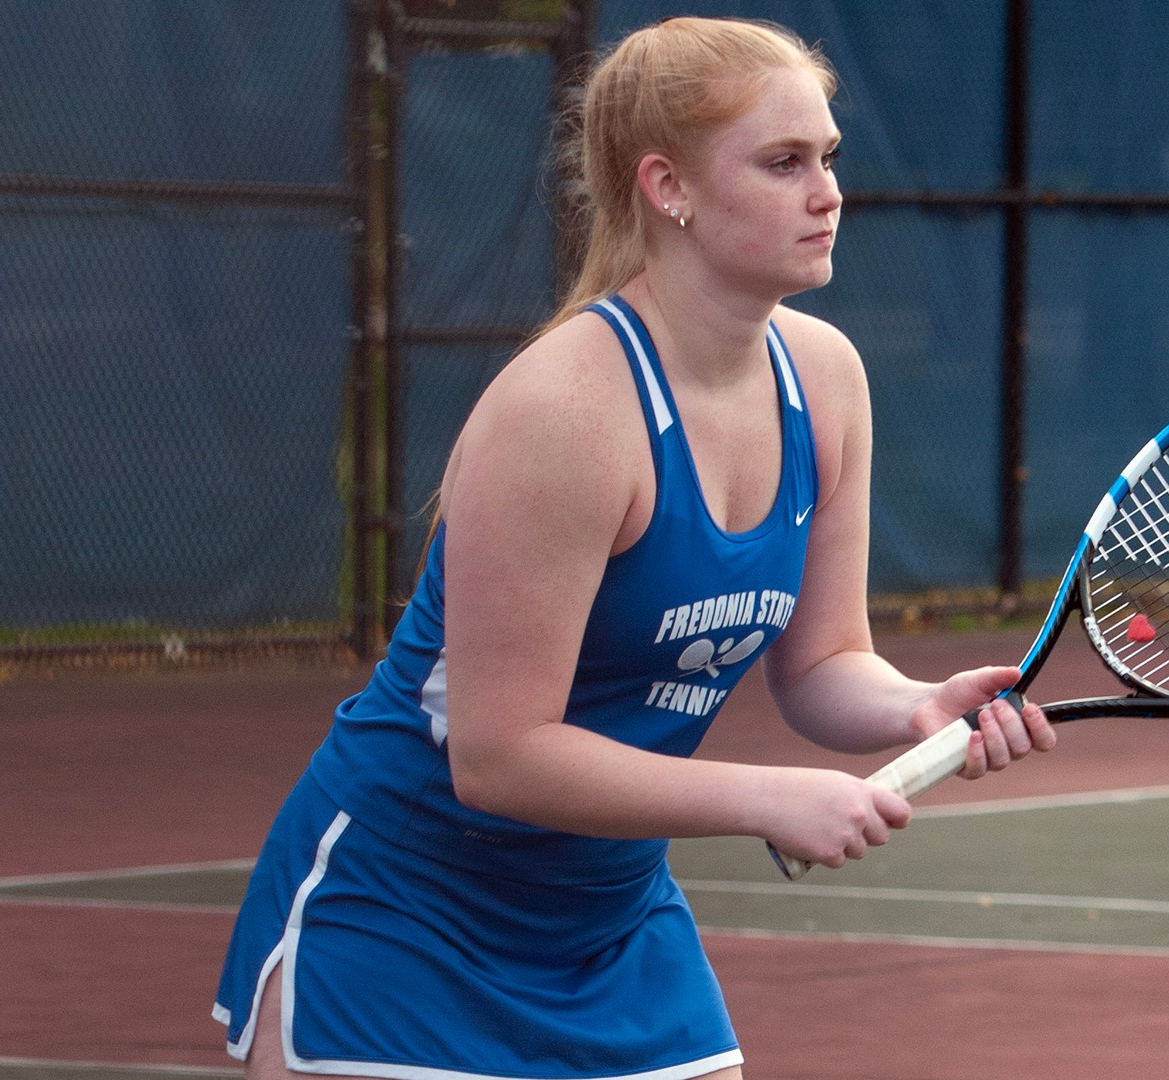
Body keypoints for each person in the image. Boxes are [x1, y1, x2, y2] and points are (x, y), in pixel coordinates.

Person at [214, 16, 1054, 1079]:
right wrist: (768, 796)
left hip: (609, 919)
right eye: (783, 162)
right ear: (670, 188)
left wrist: (912, 707)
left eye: (829, 158)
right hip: (406, 916)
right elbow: (500, 753)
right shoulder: (566, 413)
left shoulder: (826, 379)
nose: (827, 192)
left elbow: (826, 663)